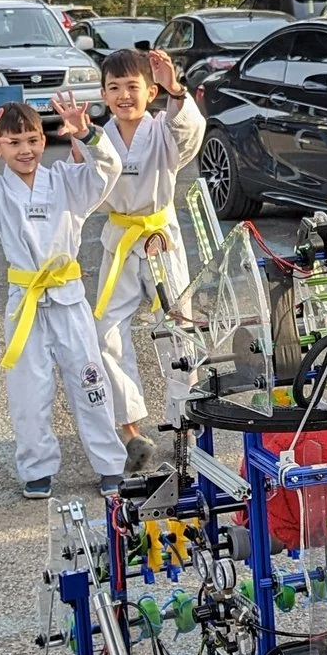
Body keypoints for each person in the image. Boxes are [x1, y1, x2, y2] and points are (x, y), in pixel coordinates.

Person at [0, 96, 129, 499]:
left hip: (69, 300)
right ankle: (37, 468)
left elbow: (108, 169)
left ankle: (110, 465)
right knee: (29, 391)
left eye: (32, 139)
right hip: (25, 302)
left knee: (90, 383)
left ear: (44, 141)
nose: (25, 150)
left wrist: (85, 133)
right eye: (13, 143)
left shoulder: (67, 180)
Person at [91, 47, 204, 471]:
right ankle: (129, 431)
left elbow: (189, 135)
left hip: (160, 237)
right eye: (114, 88)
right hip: (119, 239)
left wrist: (177, 91)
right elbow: (82, 187)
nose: (124, 96)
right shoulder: (97, 137)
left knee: (180, 329)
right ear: (103, 93)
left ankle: (183, 420)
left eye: (133, 87)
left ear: (150, 91)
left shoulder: (164, 127)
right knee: (104, 333)